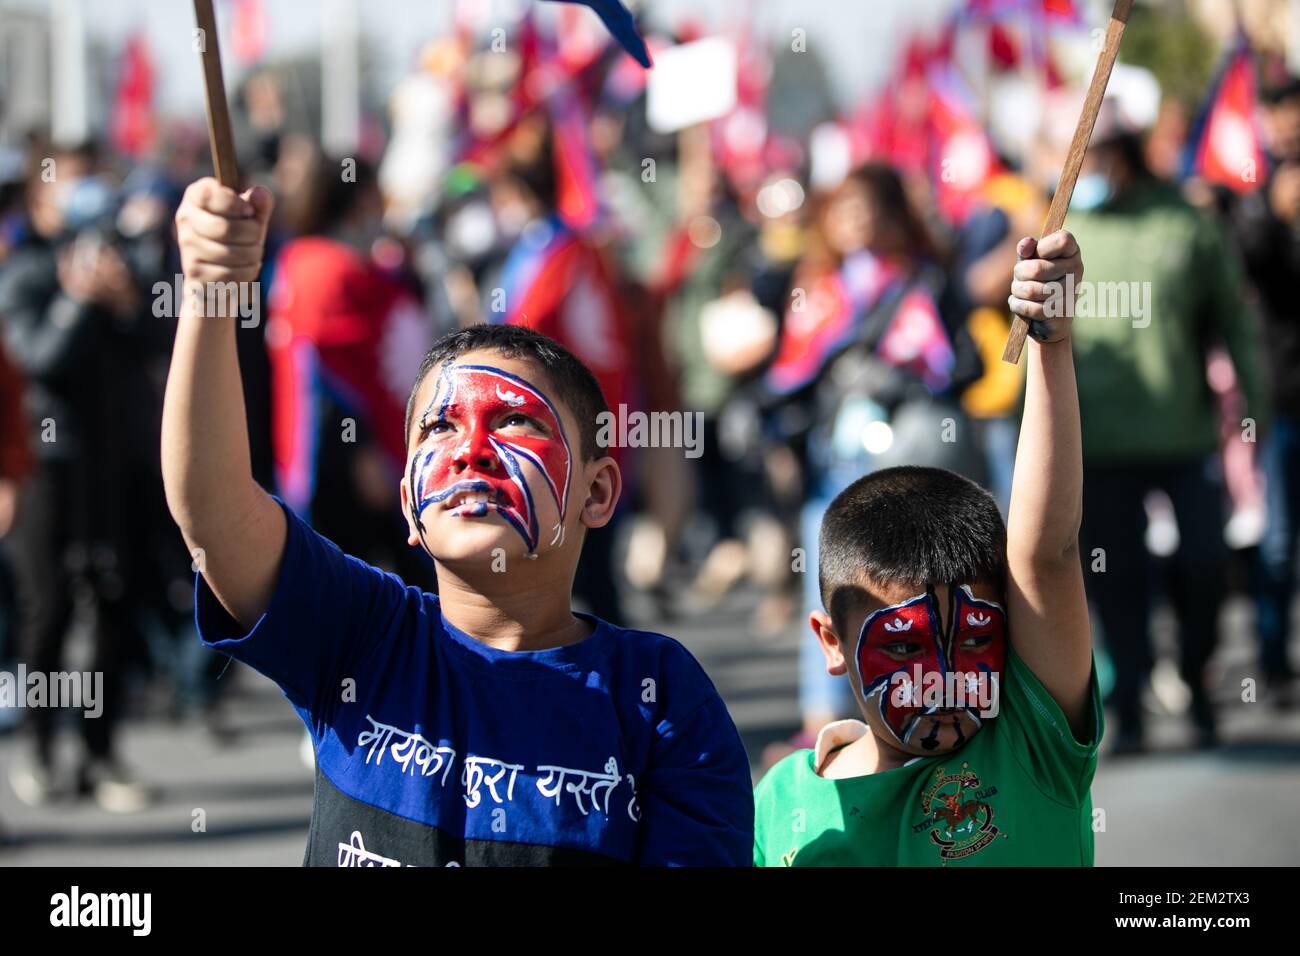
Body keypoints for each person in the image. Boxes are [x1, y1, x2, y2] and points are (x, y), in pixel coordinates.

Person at [162, 178, 753, 866]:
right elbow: (214, 508)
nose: (471, 451)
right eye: (439, 427)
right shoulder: (362, 636)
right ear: (410, 503)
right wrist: (209, 291)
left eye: (514, 421)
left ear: (598, 492)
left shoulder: (659, 697)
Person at [753, 229, 1101, 865]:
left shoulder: (1027, 742)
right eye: (906, 646)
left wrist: (1052, 344)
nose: (940, 680)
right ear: (831, 641)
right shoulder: (781, 801)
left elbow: (1045, 555)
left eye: (973, 641)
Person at [1037, 95, 1268, 752]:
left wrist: (1256, 409)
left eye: (1102, 151)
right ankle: (1129, 704)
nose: (1092, 166)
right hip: (1101, 444)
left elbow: (1233, 319)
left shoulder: (1184, 222)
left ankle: (1197, 679)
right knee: (1115, 582)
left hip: (1183, 436)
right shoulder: (1059, 232)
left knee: (1204, 566)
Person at [0, 142, 152, 812]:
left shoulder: (121, 262)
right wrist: (76, 301)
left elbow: (159, 346)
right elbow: (38, 360)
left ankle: (101, 753)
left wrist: (124, 306)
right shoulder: (28, 271)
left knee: (114, 600)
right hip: (45, 467)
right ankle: (38, 749)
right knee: (49, 609)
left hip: (113, 462)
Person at [1225, 76, 1300, 702]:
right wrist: (1272, 217)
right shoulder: (1255, 190)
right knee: (1277, 542)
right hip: (1282, 397)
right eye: (1280, 113)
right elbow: (1244, 269)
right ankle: (1273, 664)